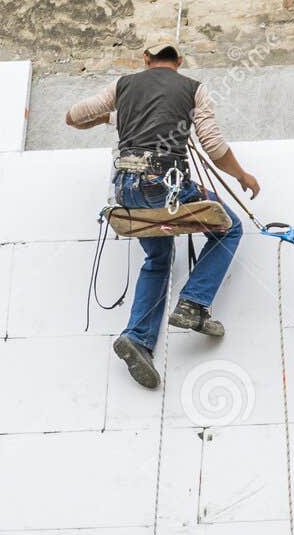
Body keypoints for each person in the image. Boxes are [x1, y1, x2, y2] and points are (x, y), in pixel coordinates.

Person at [65, 45, 261, 390]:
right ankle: (193, 304)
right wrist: (242, 175)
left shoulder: (124, 87)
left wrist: (109, 116)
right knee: (230, 228)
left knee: (158, 258)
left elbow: (74, 117)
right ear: (179, 61)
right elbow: (212, 146)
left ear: (145, 57)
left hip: (127, 190)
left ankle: (137, 339)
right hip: (163, 184)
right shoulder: (192, 88)